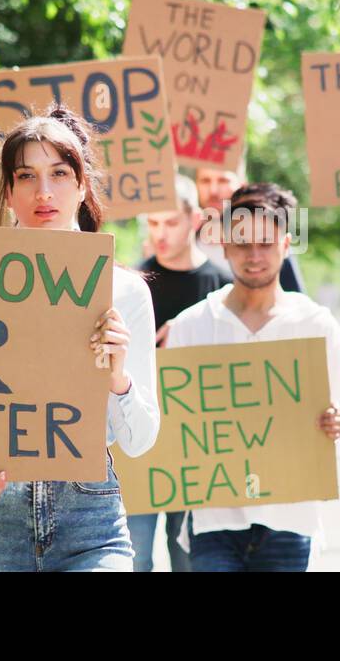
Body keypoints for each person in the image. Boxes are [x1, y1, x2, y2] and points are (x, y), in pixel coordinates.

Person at [0, 105, 159, 572]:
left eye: (59, 174)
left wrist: (118, 376)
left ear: (82, 185)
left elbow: (142, 440)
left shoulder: (123, 291)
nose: (43, 192)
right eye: (26, 176)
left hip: (89, 515)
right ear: (8, 191)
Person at [166, 183, 340, 571]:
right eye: (242, 243)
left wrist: (334, 425)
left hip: (290, 520)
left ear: (286, 245)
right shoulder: (191, 326)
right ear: (224, 244)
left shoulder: (317, 325)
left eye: (266, 243)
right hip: (213, 520)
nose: (254, 255)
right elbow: (171, 423)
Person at [126, 173, 231, 572]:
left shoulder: (223, 285)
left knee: (189, 559)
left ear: (196, 220)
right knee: (134, 558)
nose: (160, 234)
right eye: (153, 224)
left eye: (170, 222)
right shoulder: (131, 284)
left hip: (198, 446)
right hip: (140, 445)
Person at [194, 166, 305, 291]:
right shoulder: (185, 244)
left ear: (241, 186)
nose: (213, 191)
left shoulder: (276, 246)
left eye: (223, 181)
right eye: (205, 181)